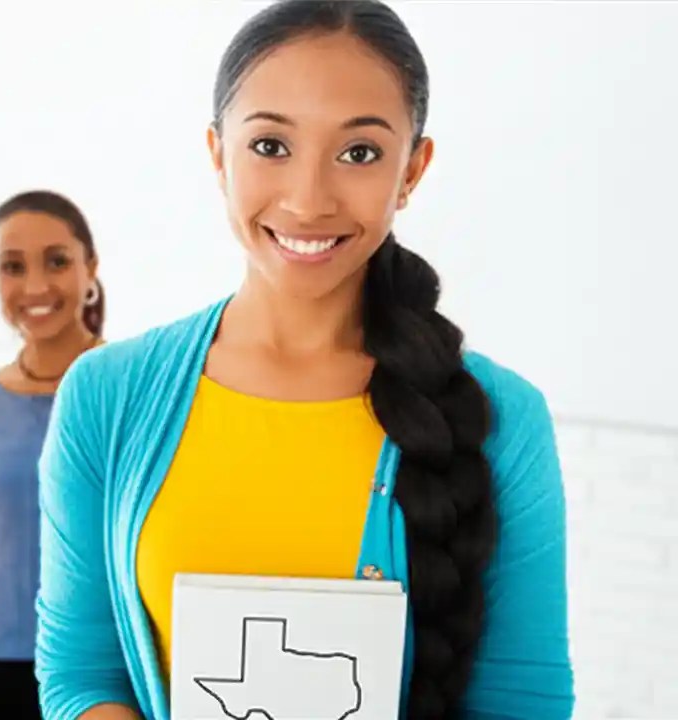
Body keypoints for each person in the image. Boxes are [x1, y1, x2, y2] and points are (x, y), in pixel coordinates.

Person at [33, 2, 574, 720]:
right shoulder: (106, 396)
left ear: (412, 169)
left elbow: (523, 701)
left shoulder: (503, 419)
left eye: (359, 153)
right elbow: (79, 672)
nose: (308, 199)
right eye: (270, 146)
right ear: (217, 153)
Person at [0, 191, 104, 720]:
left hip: (105, 668)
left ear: (91, 268)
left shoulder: (131, 385)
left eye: (57, 261)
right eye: (13, 267)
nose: (35, 286)